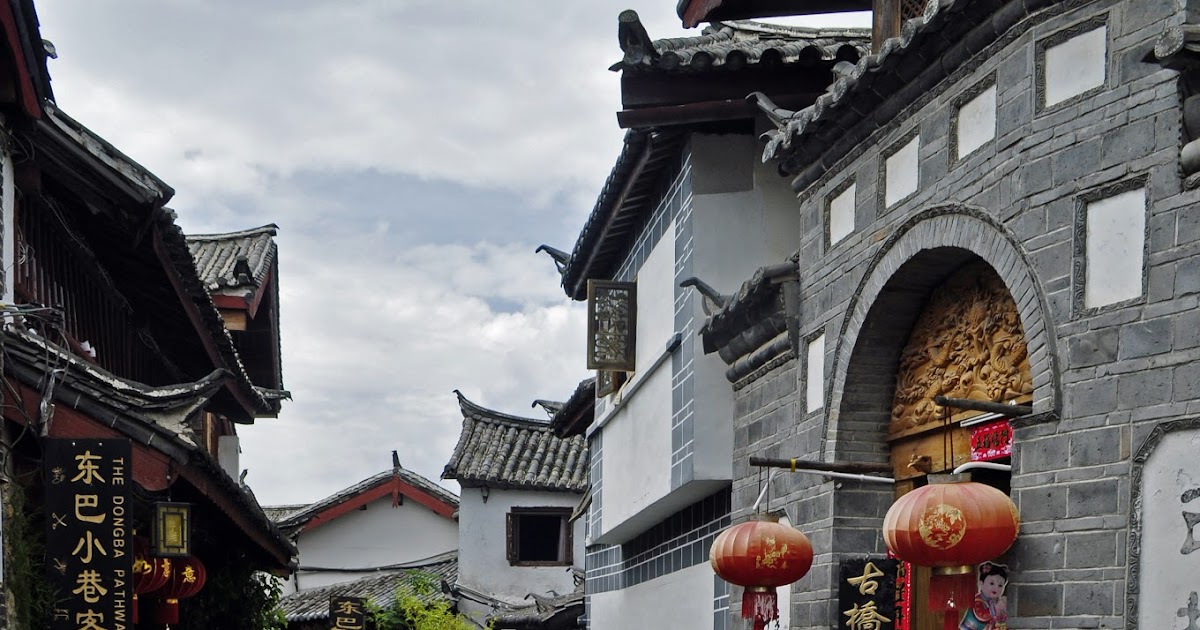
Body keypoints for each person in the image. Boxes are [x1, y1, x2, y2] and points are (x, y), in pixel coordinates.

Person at [958, 562, 1008, 630]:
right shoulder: (977, 600)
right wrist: (996, 608)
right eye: (992, 583)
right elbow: (981, 615)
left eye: (1000, 585)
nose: (996, 588)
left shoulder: (995, 601)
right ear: (981, 583)